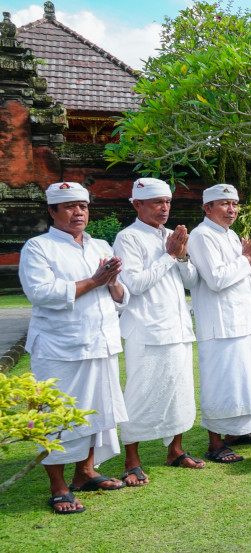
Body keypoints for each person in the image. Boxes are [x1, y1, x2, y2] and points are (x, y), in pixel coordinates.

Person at [20, 181, 130, 514]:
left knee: (95, 409)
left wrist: (111, 283)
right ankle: (58, 485)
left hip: (100, 341)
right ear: (52, 211)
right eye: (69, 206)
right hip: (59, 347)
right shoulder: (38, 247)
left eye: (82, 206)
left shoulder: (100, 244)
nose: (78, 212)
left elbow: (121, 297)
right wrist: (94, 281)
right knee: (57, 416)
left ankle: (85, 472)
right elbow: (41, 293)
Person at [113, 178, 206, 486]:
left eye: (167, 202)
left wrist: (180, 256)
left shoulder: (172, 236)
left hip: (177, 326)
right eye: (156, 202)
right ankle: (132, 460)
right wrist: (168, 255)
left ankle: (175, 450)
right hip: (146, 329)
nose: (164, 208)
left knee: (179, 392)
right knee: (141, 393)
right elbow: (135, 284)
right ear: (137, 204)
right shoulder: (128, 238)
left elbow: (191, 281)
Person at [188, 184, 251, 464]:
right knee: (220, 382)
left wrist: (250, 260)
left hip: (243, 319)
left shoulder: (231, 235)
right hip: (219, 324)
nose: (231, 210)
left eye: (234, 204)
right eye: (224, 204)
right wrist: (247, 259)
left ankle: (240, 432)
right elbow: (217, 279)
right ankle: (215, 442)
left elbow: (243, 277)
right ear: (207, 208)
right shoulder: (201, 236)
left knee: (244, 380)